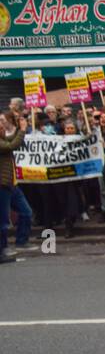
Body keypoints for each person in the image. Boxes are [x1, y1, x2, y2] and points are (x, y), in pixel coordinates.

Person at [0, 111, 31, 262]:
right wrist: (23, 131)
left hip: (11, 184)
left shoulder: (2, 139)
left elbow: (10, 139)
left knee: (26, 212)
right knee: (3, 220)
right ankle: (3, 249)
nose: (1, 127)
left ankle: (21, 241)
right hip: (3, 185)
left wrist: (20, 128)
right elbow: (12, 144)